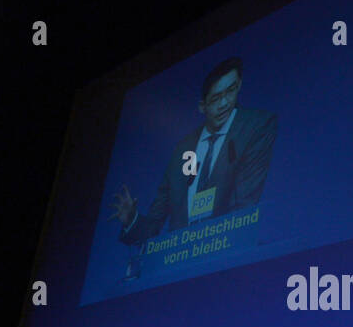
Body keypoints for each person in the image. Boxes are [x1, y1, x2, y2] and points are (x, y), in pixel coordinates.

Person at [110, 57, 277, 244]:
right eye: (215, 98)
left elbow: (245, 207)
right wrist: (132, 219)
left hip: (226, 255)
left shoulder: (256, 126)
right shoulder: (183, 148)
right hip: (179, 260)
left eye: (231, 91)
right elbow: (154, 224)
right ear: (202, 107)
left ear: (239, 85)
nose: (224, 103)